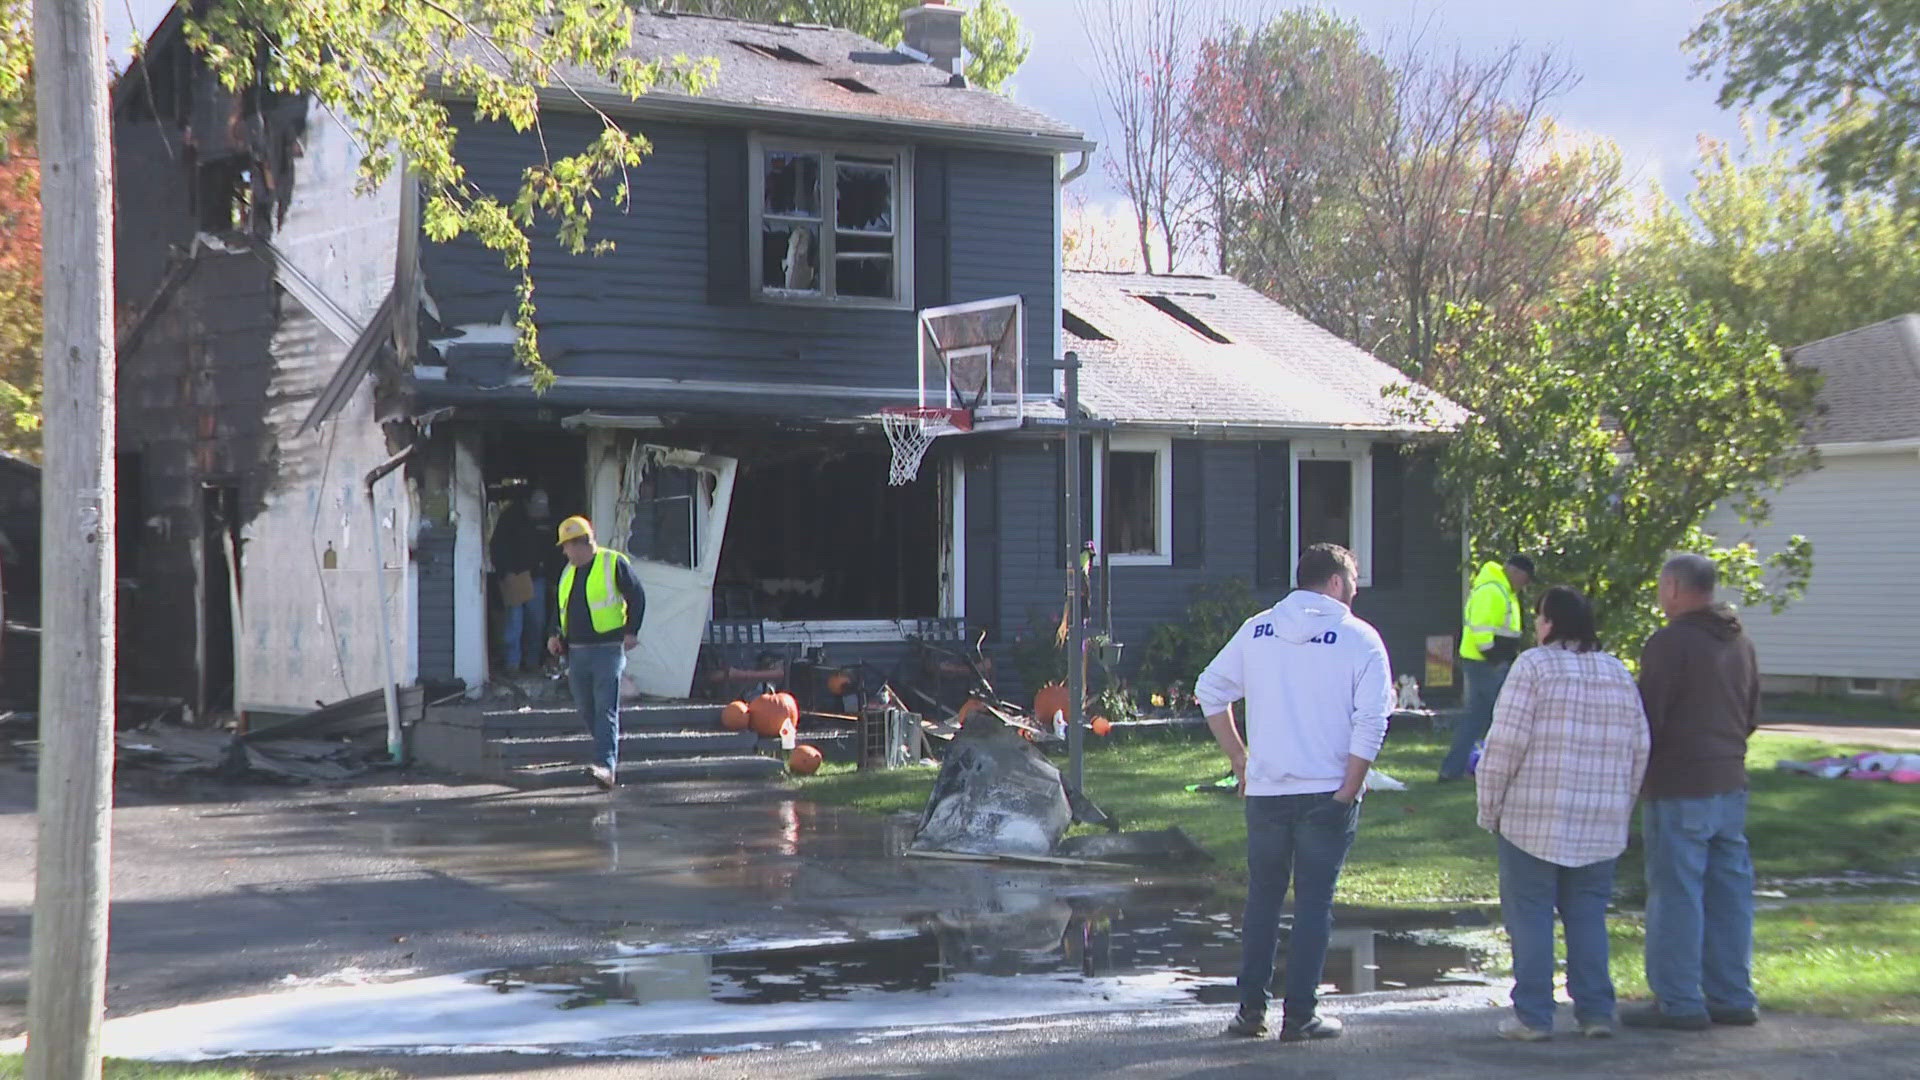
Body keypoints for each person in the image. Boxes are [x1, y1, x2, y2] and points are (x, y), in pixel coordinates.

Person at [1197, 543, 1393, 1043]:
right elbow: (1371, 721)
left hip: (1267, 790)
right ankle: (1300, 1013)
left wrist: (1240, 760)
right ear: (1334, 583)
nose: (1354, 591)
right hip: (1327, 788)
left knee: (1262, 900)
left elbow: (1210, 690)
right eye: (1352, 581)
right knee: (1313, 904)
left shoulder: (1258, 629)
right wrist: (1348, 791)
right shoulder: (1359, 638)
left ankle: (1249, 1012)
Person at [1476, 586, 1649, 1041]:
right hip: (1599, 820)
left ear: (1549, 622)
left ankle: (1533, 1016)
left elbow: (1504, 745)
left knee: (1531, 914)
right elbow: (1639, 749)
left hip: (1533, 817)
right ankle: (1595, 1013)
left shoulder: (1533, 666)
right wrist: (1622, 807)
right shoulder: (1617, 673)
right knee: (1588, 915)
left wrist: (1489, 806)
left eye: (1538, 618)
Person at [1625, 553, 1761, 1031]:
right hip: (1729, 779)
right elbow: (1751, 714)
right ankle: (1732, 995)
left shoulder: (1669, 643)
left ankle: (1680, 1001)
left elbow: (1648, 719)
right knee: (1729, 893)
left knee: (1677, 891)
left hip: (1679, 782)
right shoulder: (1739, 640)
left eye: (1664, 587)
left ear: (1676, 588)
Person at [546, 515, 646, 791]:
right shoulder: (568, 572)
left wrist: (631, 631)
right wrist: (555, 635)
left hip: (607, 649)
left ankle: (606, 766)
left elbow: (637, 595)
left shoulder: (612, 563)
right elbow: (560, 608)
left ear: (581, 543)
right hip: (577, 651)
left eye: (567, 546)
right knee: (586, 706)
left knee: (604, 707)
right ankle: (605, 752)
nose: (565, 552)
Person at [1439, 553, 1535, 781]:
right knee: (1506, 715)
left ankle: (1452, 770)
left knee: (1475, 718)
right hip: (1485, 663)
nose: (1526, 584)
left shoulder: (1500, 589)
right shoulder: (1493, 590)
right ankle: (1502, 770)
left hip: (1484, 662)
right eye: (1526, 578)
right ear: (1516, 572)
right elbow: (1482, 631)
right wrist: (1497, 659)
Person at [490, 487, 554, 673]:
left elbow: (552, 549)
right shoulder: (510, 518)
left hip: (538, 577)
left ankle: (532, 662)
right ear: (527, 503)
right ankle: (512, 664)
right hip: (514, 576)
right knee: (514, 624)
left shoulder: (546, 520)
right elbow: (497, 547)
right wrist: (505, 572)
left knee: (537, 622)